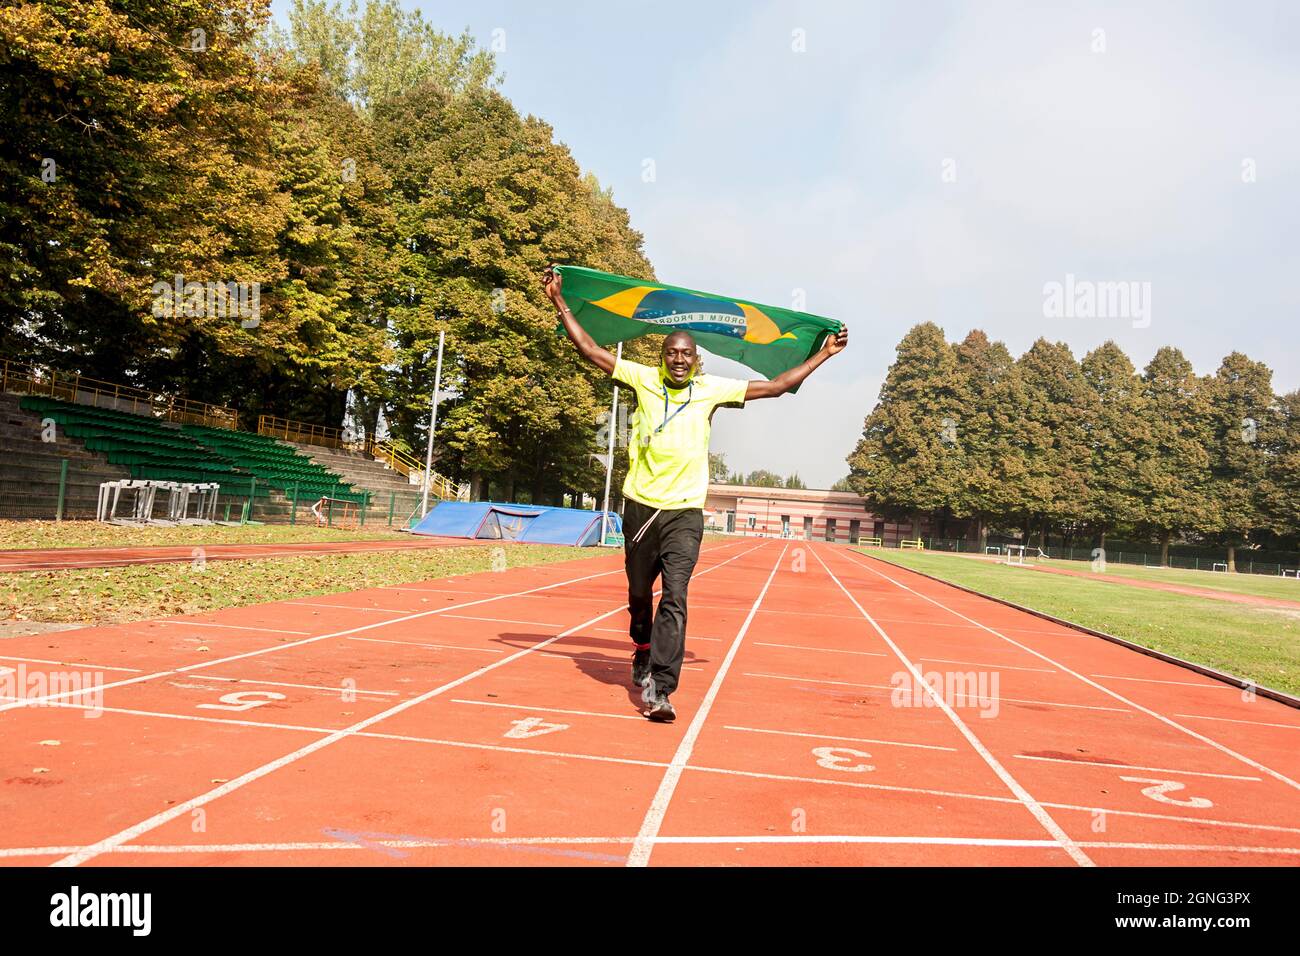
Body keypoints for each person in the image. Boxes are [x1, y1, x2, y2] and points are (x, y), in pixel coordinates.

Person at [543, 265, 848, 721]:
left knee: (677, 596)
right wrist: (560, 301)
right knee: (639, 595)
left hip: (685, 512)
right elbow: (589, 349)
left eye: (687, 353)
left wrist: (825, 353)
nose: (679, 359)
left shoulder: (711, 391)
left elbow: (780, 386)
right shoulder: (642, 378)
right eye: (672, 353)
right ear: (662, 356)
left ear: (696, 359)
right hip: (641, 507)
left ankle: (662, 690)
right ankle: (642, 647)